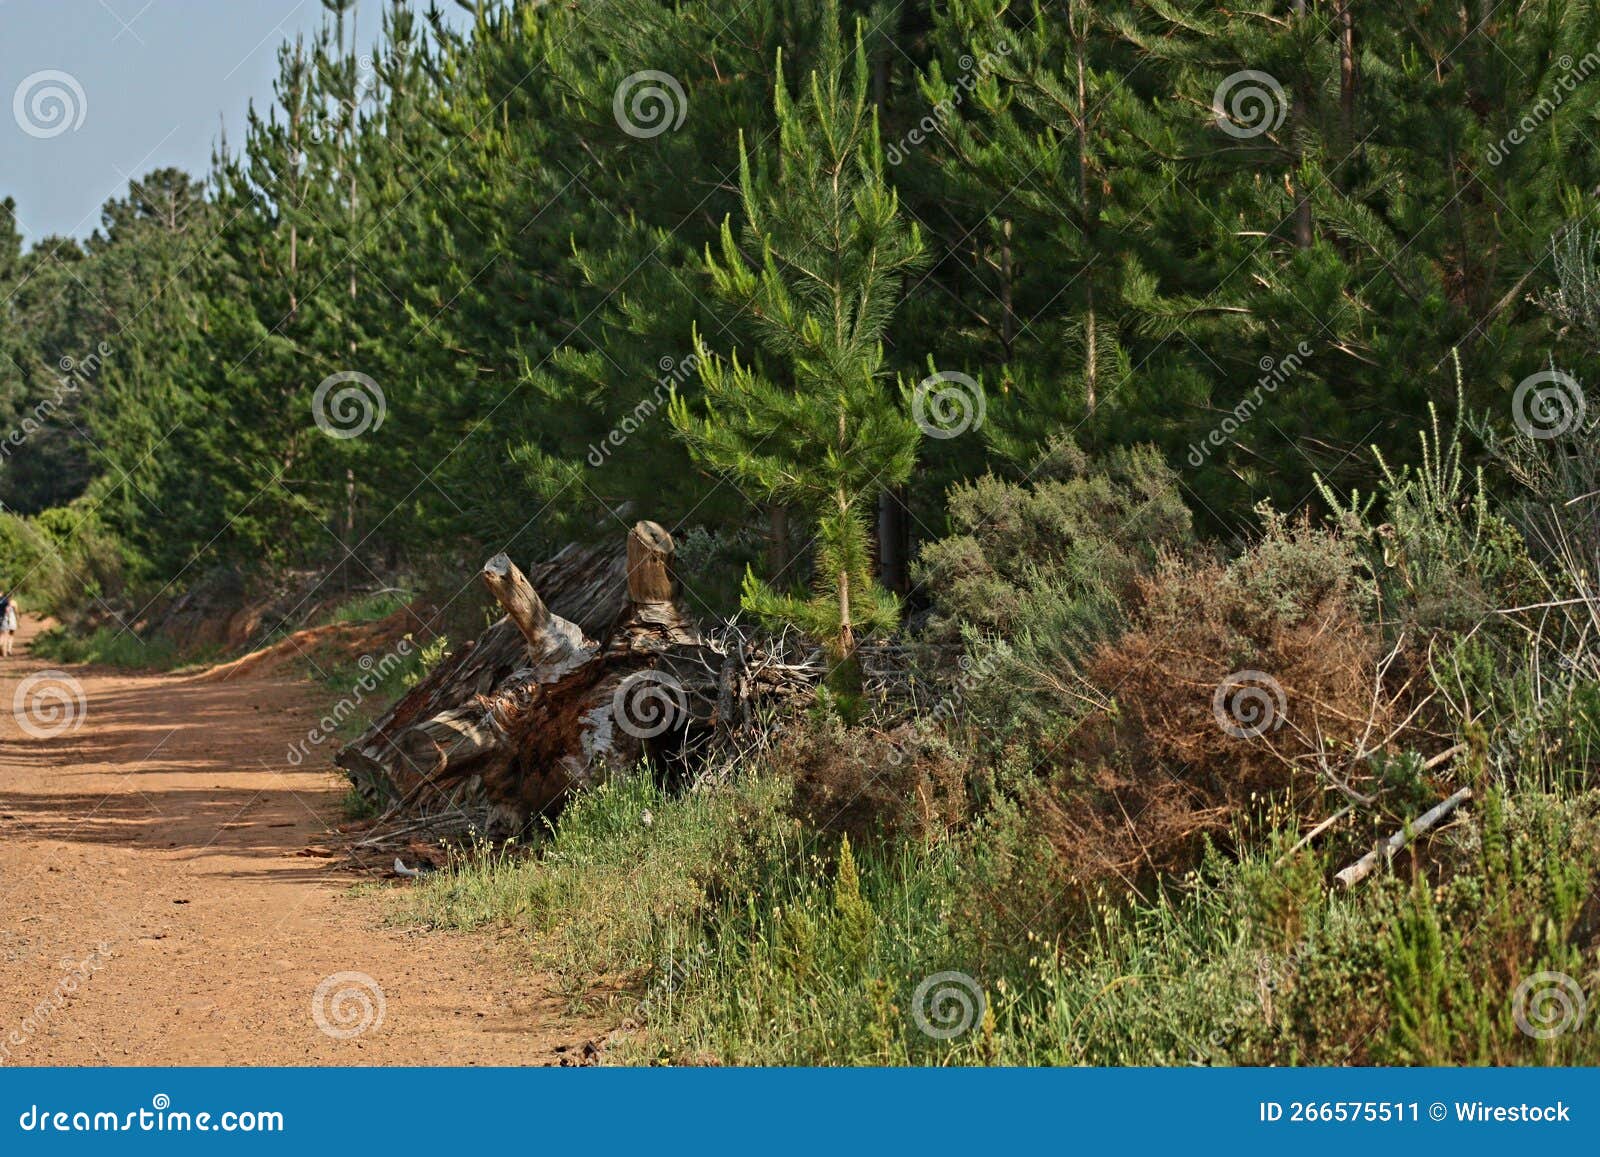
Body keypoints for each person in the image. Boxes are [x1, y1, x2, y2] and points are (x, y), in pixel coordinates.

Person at [0, 590, 16, 657]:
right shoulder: (5, 600)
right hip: (2, 619)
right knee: (4, 635)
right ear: (1, 593)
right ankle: (4, 653)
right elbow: (8, 610)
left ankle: (4, 653)